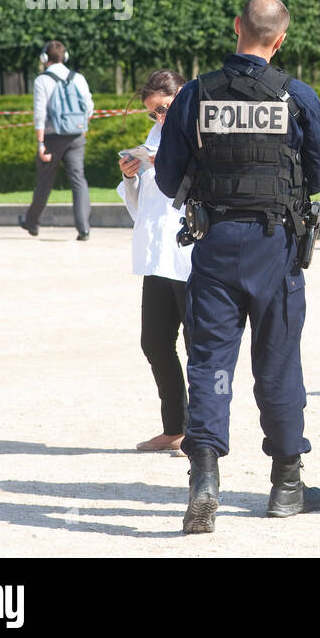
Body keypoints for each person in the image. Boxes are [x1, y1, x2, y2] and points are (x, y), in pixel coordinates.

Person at [155, 0, 320, 534]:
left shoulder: (194, 95)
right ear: (280, 40)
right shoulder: (297, 96)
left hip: (214, 242)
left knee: (209, 359)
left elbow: (167, 179)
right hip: (276, 243)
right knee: (277, 363)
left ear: (236, 28)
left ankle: (205, 476)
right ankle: (286, 485)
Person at [117, 70, 193, 453]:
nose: (160, 118)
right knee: (155, 342)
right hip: (158, 257)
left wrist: (155, 164)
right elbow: (142, 206)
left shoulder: (201, 126)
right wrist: (132, 175)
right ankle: (175, 427)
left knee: (200, 348)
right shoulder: (156, 136)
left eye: (163, 108)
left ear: (181, 95)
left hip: (192, 256)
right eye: (153, 113)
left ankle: (204, 435)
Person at [19, 40, 93, 239]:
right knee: (79, 180)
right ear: (65, 57)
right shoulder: (78, 78)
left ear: (44, 58)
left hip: (52, 138)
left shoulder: (42, 81)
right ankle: (84, 228)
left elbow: (40, 114)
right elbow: (89, 108)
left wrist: (40, 144)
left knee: (44, 181)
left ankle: (32, 223)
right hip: (76, 136)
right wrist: (81, 129)